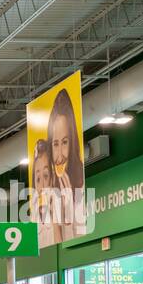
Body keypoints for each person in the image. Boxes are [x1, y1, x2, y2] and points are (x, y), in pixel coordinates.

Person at [48, 89, 84, 240]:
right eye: (55, 144)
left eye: (65, 142)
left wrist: (69, 211)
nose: (60, 156)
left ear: (73, 142)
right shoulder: (46, 194)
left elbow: (77, 246)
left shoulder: (83, 191)